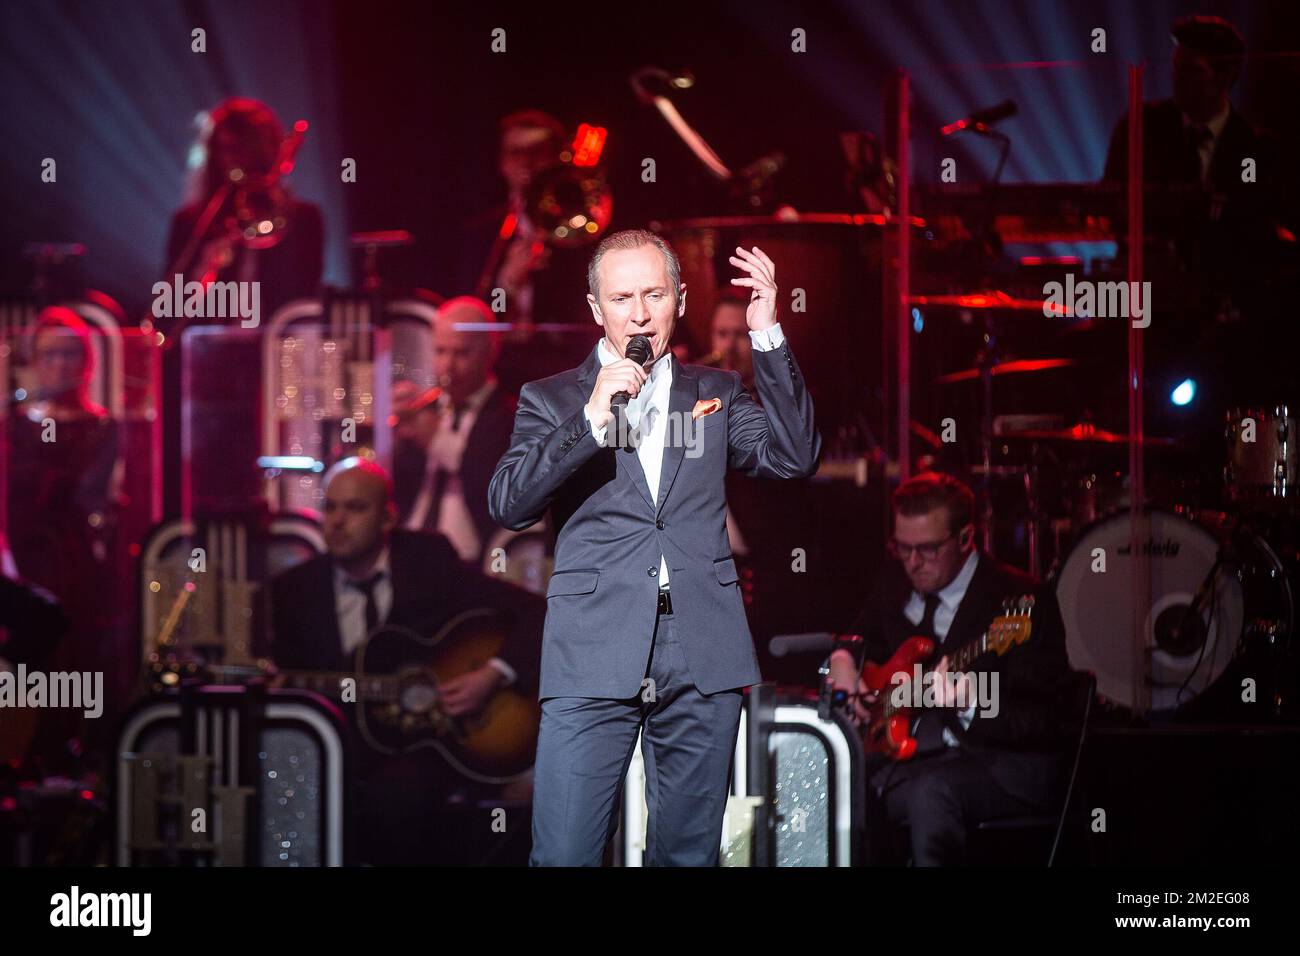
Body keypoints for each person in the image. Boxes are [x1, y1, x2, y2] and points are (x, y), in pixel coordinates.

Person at [490, 228, 821, 865]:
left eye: (653, 294)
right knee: (564, 855)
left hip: (701, 647)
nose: (639, 313)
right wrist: (589, 421)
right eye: (621, 298)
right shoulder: (552, 398)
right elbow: (508, 503)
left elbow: (794, 456)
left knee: (688, 856)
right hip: (593, 645)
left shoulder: (715, 393)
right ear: (595, 309)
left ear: (680, 299)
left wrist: (768, 337)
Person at [266, 457, 544, 864]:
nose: (338, 521)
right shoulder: (294, 591)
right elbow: (288, 680)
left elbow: (534, 612)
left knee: (399, 796)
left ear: (387, 517)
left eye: (355, 508)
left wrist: (492, 674)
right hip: (339, 750)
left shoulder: (427, 561)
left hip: (435, 747)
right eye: (331, 507)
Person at [827, 472, 1072, 866]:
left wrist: (973, 702)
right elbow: (856, 638)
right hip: (911, 757)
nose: (912, 562)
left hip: (999, 764)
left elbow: (1045, 717)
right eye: (902, 548)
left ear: (965, 538)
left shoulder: (1022, 600)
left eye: (926, 549)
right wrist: (841, 661)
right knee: (834, 785)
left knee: (931, 794)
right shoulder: (894, 583)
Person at [391, 297, 515, 564]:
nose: (447, 366)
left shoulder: (512, 416)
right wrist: (394, 442)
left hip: (473, 558)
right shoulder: (428, 409)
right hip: (410, 551)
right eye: (440, 351)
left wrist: (437, 439)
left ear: (490, 352)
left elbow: (495, 490)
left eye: (461, 354)